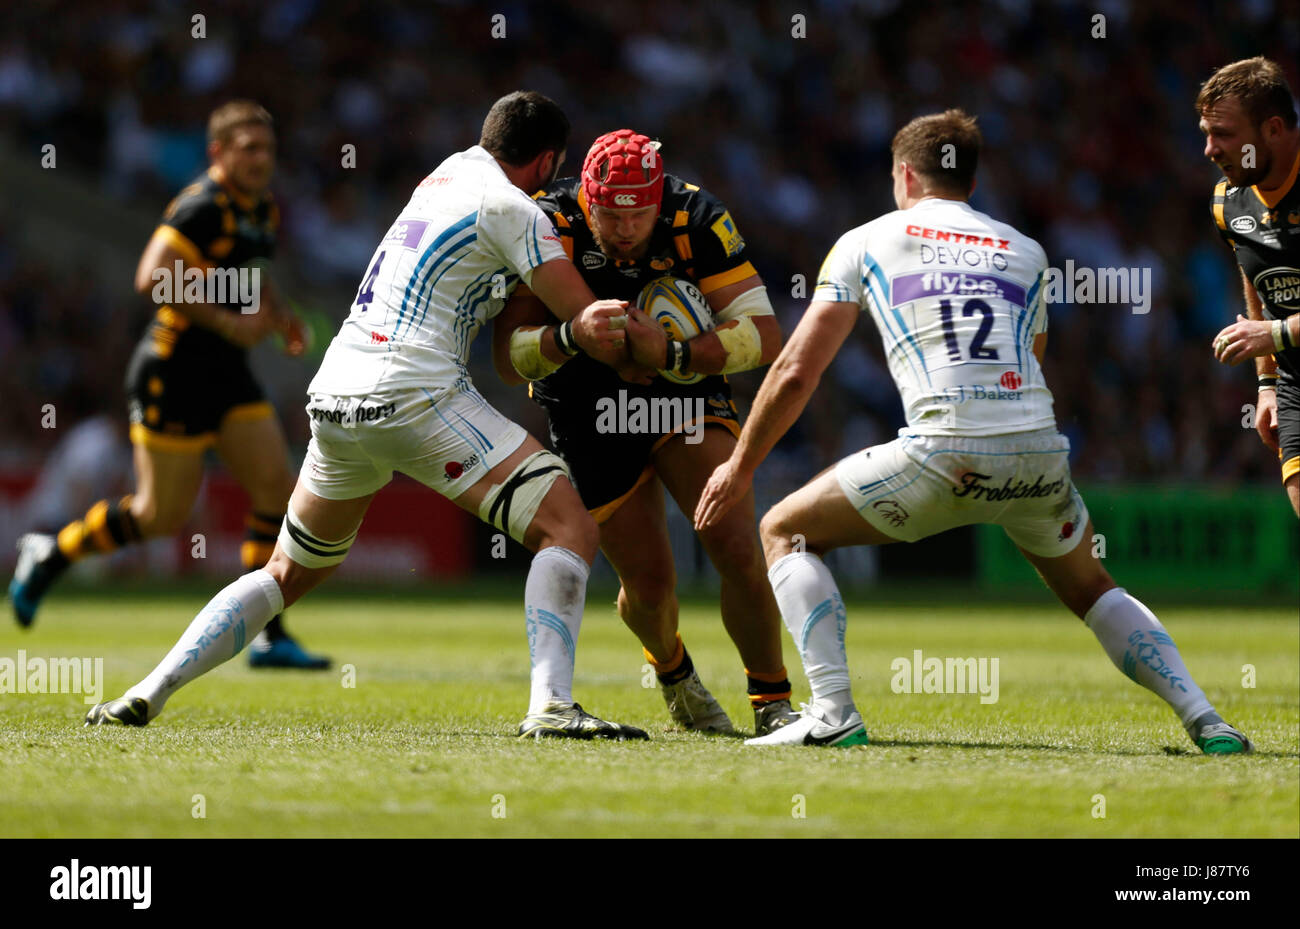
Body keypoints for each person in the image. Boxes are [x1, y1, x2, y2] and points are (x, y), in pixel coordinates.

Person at [85, 91, 649, 741]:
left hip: (336, 394)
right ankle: (552, 705)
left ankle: (148, 689)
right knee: (568, 526)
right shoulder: (514, 208)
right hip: (415, 390)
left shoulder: (443, 176)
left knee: (286, 572)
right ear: (548, 161)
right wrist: (660, 342)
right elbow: (585, 318)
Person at [695, 109, 1253, 754]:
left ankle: (833, 712)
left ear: (905, 175)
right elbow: (1032, 359)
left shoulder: (865, 240)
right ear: (972, 182)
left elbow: (796, 371)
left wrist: (740, 466)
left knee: (784, 529)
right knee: (1094, 586)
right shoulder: (1024, 250)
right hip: (1038, 452)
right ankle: (1206, 719)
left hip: (941, 451)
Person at [493, 129, 798, 735]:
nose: (627, 228)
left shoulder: (696, 216)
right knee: (651, 587)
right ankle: (673, 670)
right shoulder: (547, 220)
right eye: (611, 213)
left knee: (737, 546)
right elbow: (508, 358)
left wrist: (674, 353)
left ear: (660, 197)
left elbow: (764, 335)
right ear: (588, 197)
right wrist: (573, 337)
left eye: (640, 213)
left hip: (683, 394)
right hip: (588, 407)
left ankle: (772, 702)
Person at [8, 100, 329, 669]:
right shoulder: (202, 206)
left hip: (227, 374)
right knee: (159, 515)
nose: (261, 159)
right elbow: (152, 275)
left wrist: (282, 318)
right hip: (173, 373)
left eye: (268, 149)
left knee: (276, 490)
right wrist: (227, 322)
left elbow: (250, 275)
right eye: (248, 148)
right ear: (218, 153)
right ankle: (52, 554)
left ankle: (267, 635)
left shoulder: (260, 209)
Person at [1199, 56, 1300, 517]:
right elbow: (1255, 278)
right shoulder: (1228, 203)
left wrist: (1274, 335)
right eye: (1206, 133)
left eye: (1223, 134)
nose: (1210, 149)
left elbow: (1269, 329)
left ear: (1273, 129)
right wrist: (1266, 384)